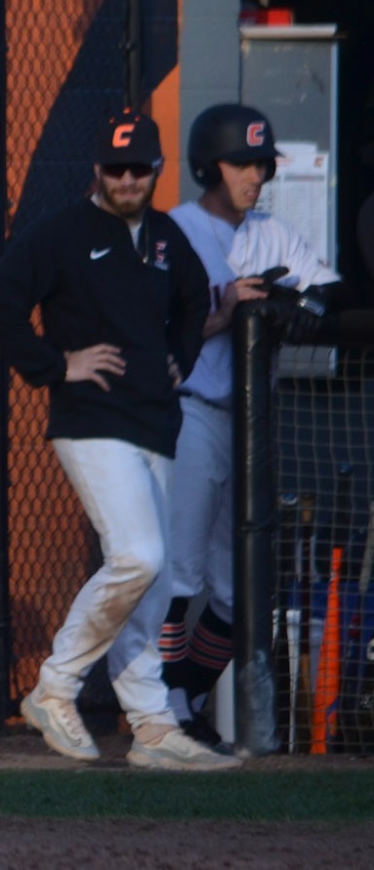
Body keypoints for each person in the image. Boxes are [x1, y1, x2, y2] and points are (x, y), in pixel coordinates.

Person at [0, 108, 235, 771]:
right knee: (140, 556)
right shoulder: (62, 233)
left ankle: (151, 726)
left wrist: (176, 355)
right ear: (97, 170)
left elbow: (191, 304)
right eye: (115, 168)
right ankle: (55, 687)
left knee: (156, 584)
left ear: (155, 171)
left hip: (156, 421)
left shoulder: (165, 237)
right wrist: (57, 365)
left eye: (138, 168)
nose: (126, 179)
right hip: (90, 420)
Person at [160, 105, 338, 744]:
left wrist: (305, 308)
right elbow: (160, 330)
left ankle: (190, 698)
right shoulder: (175, 230)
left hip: (251, 423)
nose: (256, 175)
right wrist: (226, 304)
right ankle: (170, 708)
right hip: (192, 412)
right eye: (243, 162)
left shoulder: (274, 232)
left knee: (241, 590)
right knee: (177, 573)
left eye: (262, 164)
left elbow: (329, 292)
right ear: (210, 165)